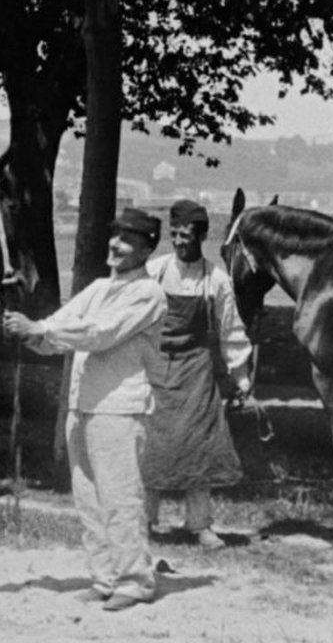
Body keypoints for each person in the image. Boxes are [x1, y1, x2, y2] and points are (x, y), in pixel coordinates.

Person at [3, 208, 167, 612]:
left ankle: (136, 580)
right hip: (83, 404)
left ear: (147, 249)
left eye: (128, 239)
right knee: (89, 496)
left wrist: (40, 330)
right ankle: (105, 576)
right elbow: (61, 327)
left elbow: (99, 334)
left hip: (121, 407)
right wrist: (28, 330)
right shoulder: (97, 288)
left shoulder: (148, 294)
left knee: (120, 496)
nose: (116, 244)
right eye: (114, 235)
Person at [142, 199, 253, 549]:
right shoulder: (155, 272)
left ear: (201, 236)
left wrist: (241, 378)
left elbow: (230, 330)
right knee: (150, 446)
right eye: (174, 234)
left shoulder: (216, 280)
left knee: (199, 447)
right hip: (156, 368)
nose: (179, 241)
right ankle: (143, 521)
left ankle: (200, 524)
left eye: (186, 235)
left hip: (197, 374)